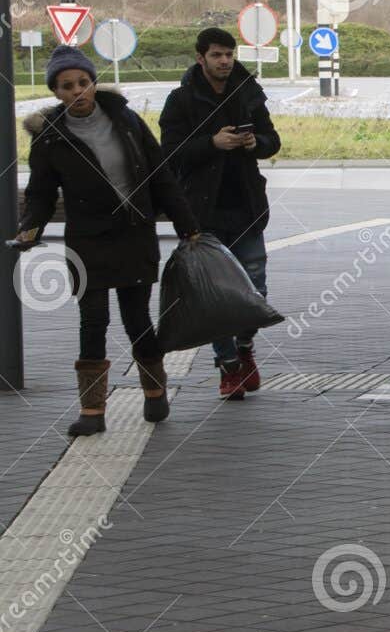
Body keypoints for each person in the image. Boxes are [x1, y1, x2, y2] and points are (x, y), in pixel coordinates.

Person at [18, 46, 201, 436]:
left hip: (133, 235)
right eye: (67, 86)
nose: (77, 91)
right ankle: (91, 410)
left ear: (93, 83)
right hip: (87, 242)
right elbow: (40, 193)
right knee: (92, 322)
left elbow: (161, 175)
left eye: (83, 82)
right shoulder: (50, 139)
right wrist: (30, 226)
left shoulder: (127, 120)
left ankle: (154, 391)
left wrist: (187, 225)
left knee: (137, 321)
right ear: (56, 92)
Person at [159, 28, 281, 400]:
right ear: (201, 58)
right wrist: (212, 144)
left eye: (229, 54)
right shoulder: (181, 100)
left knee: (255, 284)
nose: (225, 61)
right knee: (214, 295)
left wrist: (253, 143)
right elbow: (169, 154)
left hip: (245, 206)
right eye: (217, 55)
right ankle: (228, 366)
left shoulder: (248, 93)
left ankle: (244, 346)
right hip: (202, 211)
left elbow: (272, 141)